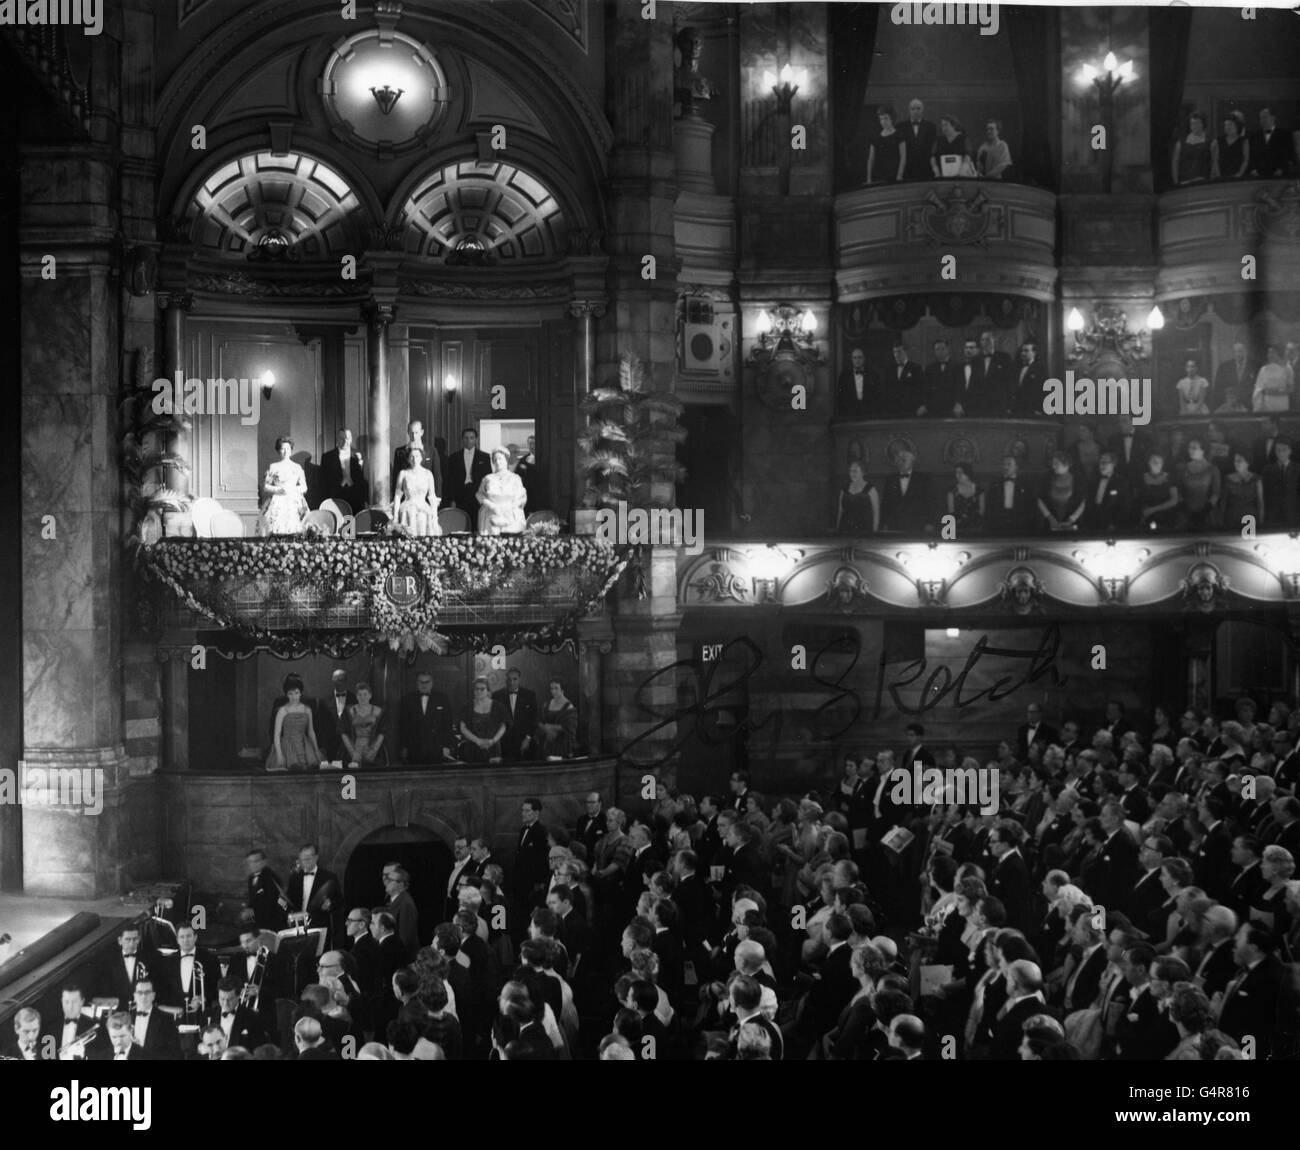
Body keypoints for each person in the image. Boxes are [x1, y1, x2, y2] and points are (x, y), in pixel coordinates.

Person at [267, 673, 322, 771]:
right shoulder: (282, 710)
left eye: (296, 693)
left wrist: (316, 749)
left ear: (301, 693)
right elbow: (276, 734)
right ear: (286, 695)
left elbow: (311, 732)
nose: (294, 697)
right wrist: (279, 755)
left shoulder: (307, 709)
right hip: (287, 746)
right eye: (290, 694)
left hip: (304, 745)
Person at [399, 671, 454, 765]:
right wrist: (404, 747)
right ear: (417, 683)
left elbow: (447, 724)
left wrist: (447, 746)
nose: (424, 685)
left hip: (437, 747)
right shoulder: (407, 699)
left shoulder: (442, 698)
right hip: (414, 748)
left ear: (432, 683)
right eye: (421, 682)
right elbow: (403, 726)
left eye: (427, 682)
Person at [258, 435, 308, 536]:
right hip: (277, 501)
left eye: (288, 449)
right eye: (282, 449)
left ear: (291, 450)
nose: (285, 451)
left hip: (294, 501)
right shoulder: (274, 466)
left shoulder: (297, 467)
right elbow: (266, 486)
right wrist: (279, 490)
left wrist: (292, 489)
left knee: (296, 529)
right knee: (274, 529)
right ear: (278, 451)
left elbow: (304, 487)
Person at [445, 427, 492, 528]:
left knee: (477, 525)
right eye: (466, 438)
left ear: (476, 439)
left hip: (477, 495)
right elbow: (450, 481)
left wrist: (486, 499)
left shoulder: (485, 457)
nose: (468, 440)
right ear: (462, 439)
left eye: (471, 438)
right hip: (460, 494)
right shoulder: (454, 458)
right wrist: (452, 500)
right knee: (460, 524)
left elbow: (488, 480)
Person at [477, 448, 528, 534]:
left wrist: (509, 509)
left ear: (506, 460)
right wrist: (492, 506)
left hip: (510, 514)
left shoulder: (515, 478)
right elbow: (480, 495)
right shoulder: (488, 478)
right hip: (491, 514)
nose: (497, 462)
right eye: (495, 460)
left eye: (500, 459)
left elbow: (521, 497)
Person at [392, 446, 441, 536]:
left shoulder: (428, 474)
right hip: (408, 508)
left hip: (423, 508)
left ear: (422, 458)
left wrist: (435, 518)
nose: (415, 459)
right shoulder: (403, 473)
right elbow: (398, 495)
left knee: (423, 519)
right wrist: (395, 517)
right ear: (408, 459)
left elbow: (432, 497)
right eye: (412, 457)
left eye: (417, 456)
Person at [1175, 438, 1222, 530]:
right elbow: (1179, 491)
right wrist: (1185, 510)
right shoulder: (1183, 468)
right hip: (1186, 514)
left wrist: (1204, 512)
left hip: (1207, 514)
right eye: (1189, 447)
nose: (1190, 450)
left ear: (1203, 450)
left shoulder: (1213, 469)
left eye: (1194, 448)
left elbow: (1216, 493)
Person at [492, 667, 538, 761]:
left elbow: (534, 719)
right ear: (506, 680)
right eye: (509, 679)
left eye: (514, 679)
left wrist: (528, 739)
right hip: (504, 743)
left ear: (519, 679)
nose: (511, 682)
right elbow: (494, 720)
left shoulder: (529, 695)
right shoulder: (497, 696)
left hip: (524, 742)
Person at [459, 676, 509, 763]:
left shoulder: (498, 706)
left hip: (492, 747)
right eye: (476, 689)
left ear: (488, 690)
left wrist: (493, 741)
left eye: (482, 689)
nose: (479, 691)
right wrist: (477, 741)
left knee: (493, 775)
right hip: (472, 748)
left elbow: (503, 726)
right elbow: (463, 728)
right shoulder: (467, 706)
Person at [392, 420, 441, 503]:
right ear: (408, 432)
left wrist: (437, 499)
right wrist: (396, 500)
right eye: (411, 433)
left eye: (416, 432)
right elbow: (396, 477)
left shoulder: (431, 451)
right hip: (406, 501)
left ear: (422, 432)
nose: (414, 436)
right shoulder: (399, 452)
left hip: (426, 501)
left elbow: (437, 477)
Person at [1036, 452, 1085, 533]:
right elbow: (1040, 500)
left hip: (1072, 522)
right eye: (1053, 463)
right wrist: (1051, 519)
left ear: (1066, 465)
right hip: (1049, 521)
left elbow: (1082, 503)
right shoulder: (1046, 478)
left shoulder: (1078, 479)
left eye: (1056, 464)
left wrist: (1070, 520)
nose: (1053, 466)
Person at [320, 428, 366, 511]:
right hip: (336, 494)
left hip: (355, 494)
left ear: (351, 439)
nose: (345, 441)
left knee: (352, 521)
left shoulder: (359, 454)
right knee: (339, 520)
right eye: (341, 438)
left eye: (347, 438)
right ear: (337, 439)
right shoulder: (327, 457)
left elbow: (363, 476)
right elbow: (323, 480)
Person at [342, 682, 387, 767]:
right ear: (356, 696)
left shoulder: (379, 711)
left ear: (370, 695)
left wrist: (373, 751)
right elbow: (343, 732)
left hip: (373, 746)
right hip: (354, 745)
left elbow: (382, 732)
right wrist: (352, 752)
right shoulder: (349, 711)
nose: (362, 697)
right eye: (360, 694)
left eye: (365, 694)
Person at [1136, 452, 1179, 532]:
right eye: (1153, 461)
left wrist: (1153, 509)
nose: (1156, 463)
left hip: (1167, 517)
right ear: (1148, 462)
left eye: (1159, 461)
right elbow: (1139, 499)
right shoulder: (1141, 478)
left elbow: (1174, 500)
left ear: (1163, 463)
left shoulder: (1170, 478)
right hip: (1147, 517)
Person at [536, 679, 578, 761]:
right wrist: (545, 729)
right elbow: (539, 721)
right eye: (551, 688)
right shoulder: (546, 704)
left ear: (562, 690)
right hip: (547, 743)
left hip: (562, 744)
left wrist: (551, 727)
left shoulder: (569, 706)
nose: (553, 691)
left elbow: (570, 727)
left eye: (556, 688)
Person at [1221, 451, 1263, 532]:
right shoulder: (1228, 478)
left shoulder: (1256, 479)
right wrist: (1222, 521)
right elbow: (1223, 501)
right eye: (1235, 461)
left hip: (1250, 518)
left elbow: (1260, 503)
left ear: (1247, 462)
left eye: (1239, 461)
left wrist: (1260, 522)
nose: (1236, 463)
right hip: (1232, 518)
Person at [1263, 439, 1300, 529]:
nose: (1281, 453)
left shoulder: (1298, 469)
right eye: (1278, 450)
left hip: (1293, 514)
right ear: (1275, 451)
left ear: (1290, 451)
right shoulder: (1267, 470)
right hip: (1274, 515)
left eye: (1284, 450)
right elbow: (1265, 494)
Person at [866, 105, 906, 185]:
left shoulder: (899, 135)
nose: (883, 121)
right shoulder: (875, 137)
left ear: (892, 119)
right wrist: (869, 178)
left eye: (886, 118)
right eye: (881, 119)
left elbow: (903, 156)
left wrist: (899, 175)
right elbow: (871, 159)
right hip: (878, 175)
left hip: (894, 175)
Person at [836, 460, 879, 534]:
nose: (852, 474)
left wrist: (874, 532)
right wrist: (837, 530)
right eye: (850, 471)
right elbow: (840, 511)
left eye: (855, 471)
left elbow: (876, 513)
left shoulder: (871, 489)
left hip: (864, 529)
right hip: (845, 528)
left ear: (863, 472)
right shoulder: (844, 489)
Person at [1251, 106, 1295, 177]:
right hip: (1258, 175)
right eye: (1261, 118)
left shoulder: (1285, 134)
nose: (1262, 120)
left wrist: (1281, 169)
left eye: (1265, 117)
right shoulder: (1255, 135)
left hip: (1279, 174)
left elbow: (1289, 154)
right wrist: (1253, 169)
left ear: (1273, 118)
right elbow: (1251, 154)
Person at [900, 97, 937, 181]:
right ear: (909, 110)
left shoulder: (931, 127)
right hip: (907, 170)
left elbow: (933, 150)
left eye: (918, 108)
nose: (916, 111)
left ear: (922, 110)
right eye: (913, 109)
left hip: (926, 169)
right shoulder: (900, 127)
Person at [1172, 111, 1211, 186]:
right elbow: (1174, 163)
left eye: (1197, 123)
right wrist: (1176, 182)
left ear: (1203, 124)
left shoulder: (1210, 141)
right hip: (1184, 181)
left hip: (1202, 181)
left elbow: (1213, 163)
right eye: (1192, 123)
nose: (1194, 126)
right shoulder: (1181, 142)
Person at [946, 463, 984, 535]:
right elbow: (951, 511)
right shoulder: (952, 490)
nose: (957, 475)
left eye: (960, 473)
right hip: (956, 527)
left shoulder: (979, 490)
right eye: (956, 473)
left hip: (975, 527)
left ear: (968, 473)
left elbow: (981, 512)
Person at [1252, 345, 1292, 413]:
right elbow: (1258, 388)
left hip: (1281, 404)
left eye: (1273, 352)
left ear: (1278, 354)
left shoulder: (1287, 369)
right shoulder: (1263, 369)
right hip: (1267, 405)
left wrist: (1276, 391)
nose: (1270, 355)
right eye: (1269, 352)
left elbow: (1291, 389)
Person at [1212, 110, 1250, 180]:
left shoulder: (1244, 141)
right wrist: (1219, 176)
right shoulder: (1218, 141)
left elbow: (1245, 160)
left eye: (1230, 124)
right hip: (1221, 177)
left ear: (1237, 125)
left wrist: (1239, 174)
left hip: (1238, 178)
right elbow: (1215, 161)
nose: (1227, 127)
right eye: (1226, 125)